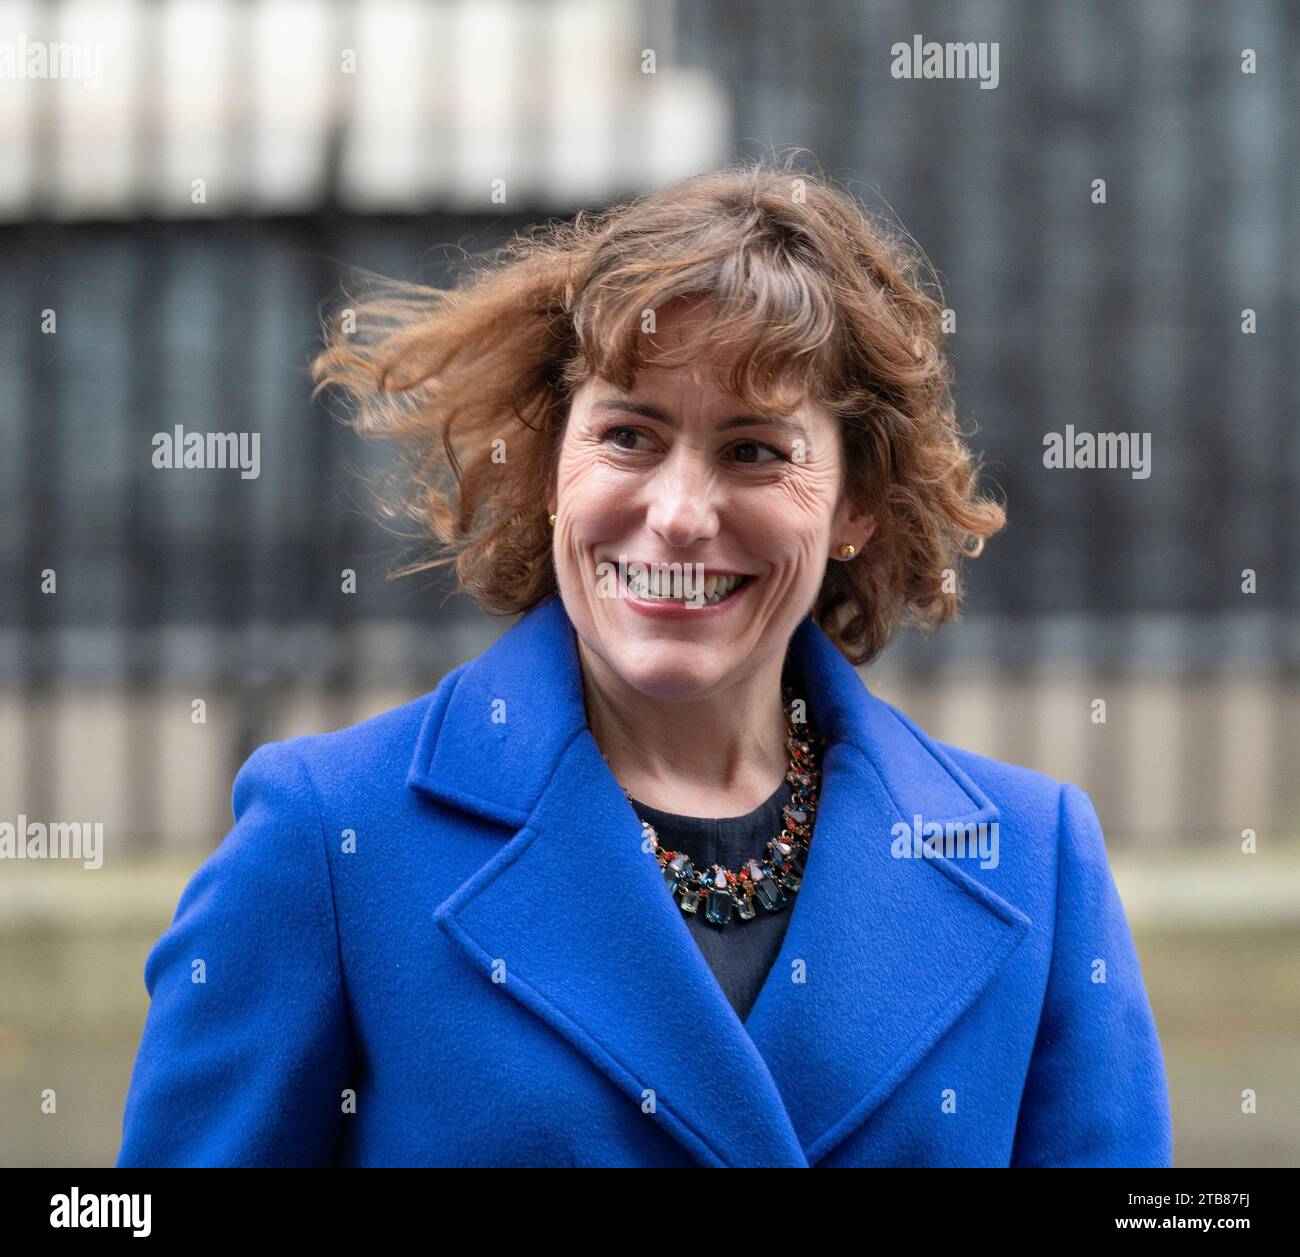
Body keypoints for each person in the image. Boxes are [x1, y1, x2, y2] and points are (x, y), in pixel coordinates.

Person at [116, 159, 1173, 1168]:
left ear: (855, 503)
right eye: (627, 435)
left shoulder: (1029, 858)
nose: (676, 515)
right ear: (550, 466)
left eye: (755, 450)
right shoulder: (330, 839)